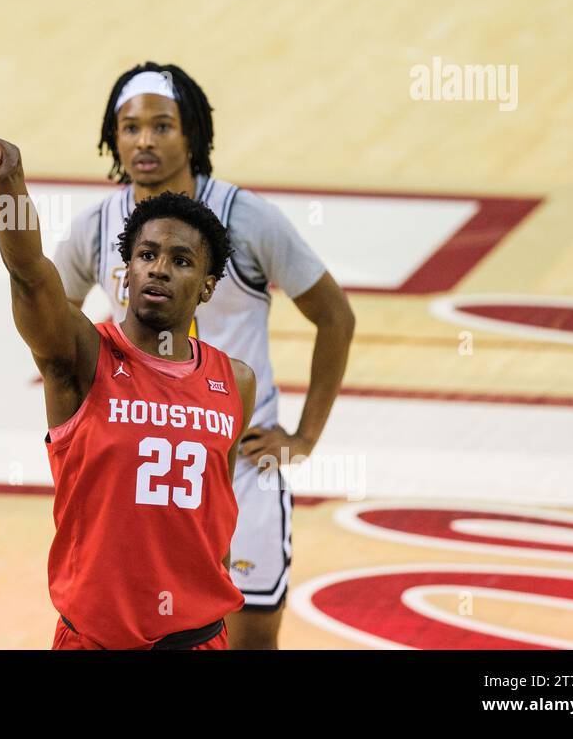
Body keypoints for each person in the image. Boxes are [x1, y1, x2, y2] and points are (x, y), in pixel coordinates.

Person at [52, 62, 355, 649]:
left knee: (246, 641)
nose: (144, 140)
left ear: (192, 133)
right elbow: (52, 323)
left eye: (162, 126)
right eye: (130, 127)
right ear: (113, 138)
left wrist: (306, 436)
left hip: (239, 462)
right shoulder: (96, 227)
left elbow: (335, 316)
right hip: (140, 459)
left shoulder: (247, 218)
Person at [0, 134, 255, 650]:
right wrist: (8, 181)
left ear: (207, 286)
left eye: (182, 260)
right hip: (94, 640)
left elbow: (214, 519)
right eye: (147, 254)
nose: (159, 268)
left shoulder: (235, 381)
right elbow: (30, 275)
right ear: (127, 271)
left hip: (199, 639)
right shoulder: (81, 356)